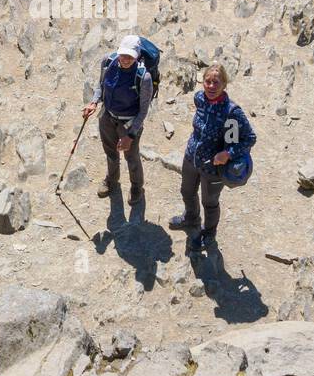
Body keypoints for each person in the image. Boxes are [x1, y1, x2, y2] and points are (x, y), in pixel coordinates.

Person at [168, 63, 255, 252]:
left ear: (224, 84)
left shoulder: (231, 112)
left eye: (216, 82)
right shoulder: (199, 98)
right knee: (187, 191)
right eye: (208, 81)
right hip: (192, 157)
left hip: (213, 168)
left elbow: (249, 138)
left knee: (209, 202)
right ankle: (190, 218)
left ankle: (209, 232)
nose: (211, 86)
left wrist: (228, 154)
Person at [83, 34, 153, 206]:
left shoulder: (144, 77)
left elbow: (143, 110)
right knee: (110, 152)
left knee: (132, 157)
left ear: (136, 56)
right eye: (123, 54)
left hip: (128, 123)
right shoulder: (108, 62)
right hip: (107, 117)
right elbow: (101, 85)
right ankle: (112, 180)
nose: (125, 59)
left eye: (130, 56)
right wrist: (94, 102)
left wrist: (130, 135)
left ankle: (137, 187)